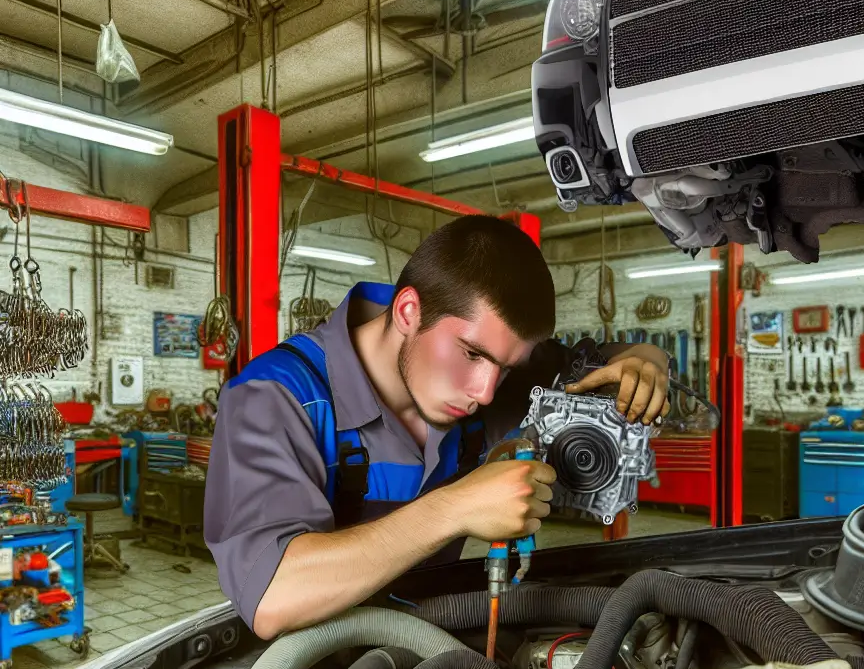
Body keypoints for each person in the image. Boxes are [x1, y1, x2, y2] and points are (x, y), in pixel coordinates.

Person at [205, 215, 670, 639]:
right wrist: (457, 507)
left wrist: (650, 363)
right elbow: (272, 595)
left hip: (430, 648)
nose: (486, 392)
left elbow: (608, 359)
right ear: (409, 312)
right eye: (471, 354)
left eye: (507, 368)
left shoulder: (482, 373)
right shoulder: (274, 396)